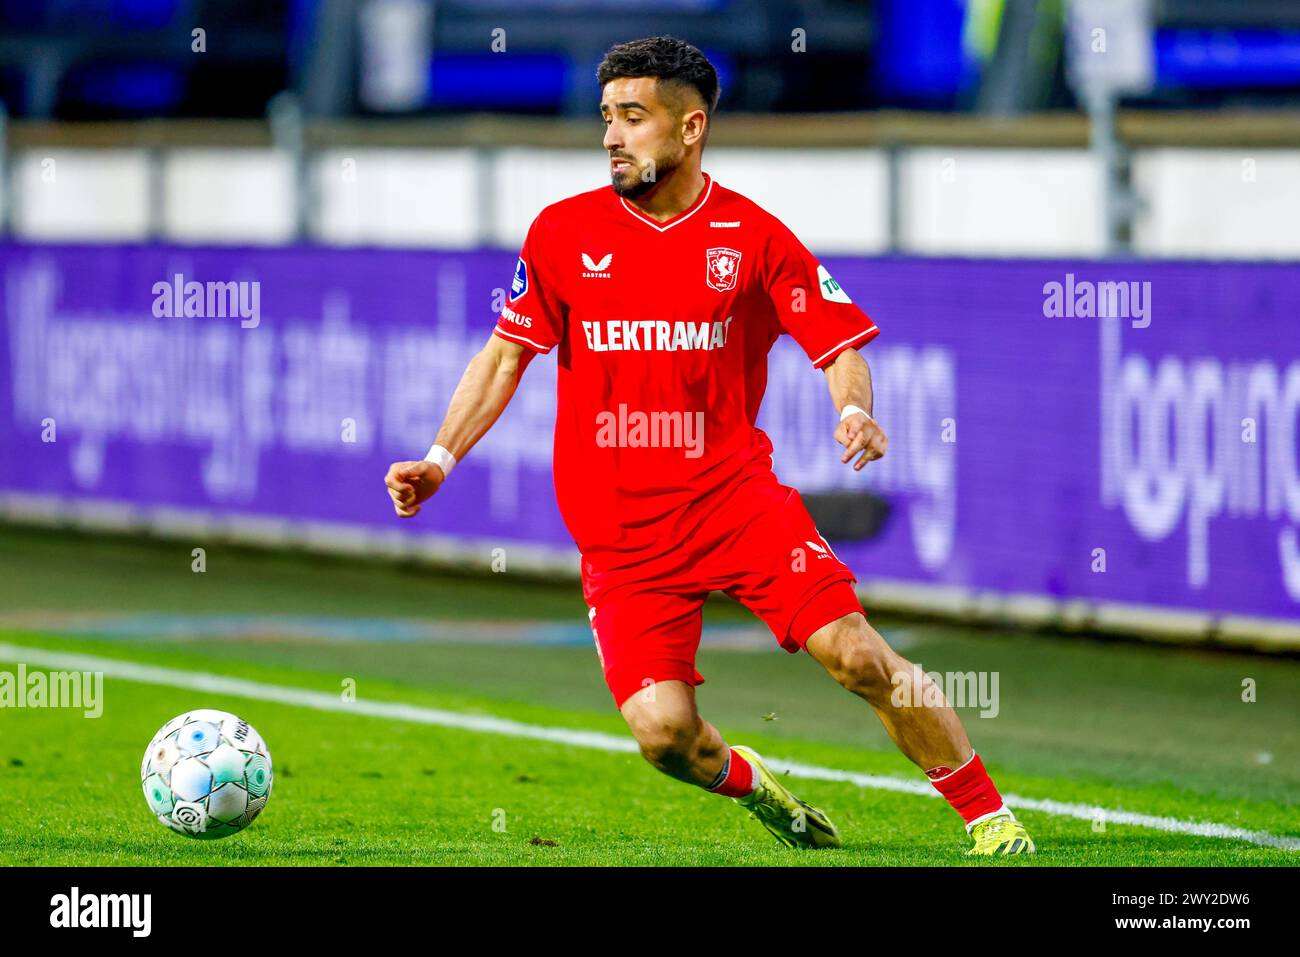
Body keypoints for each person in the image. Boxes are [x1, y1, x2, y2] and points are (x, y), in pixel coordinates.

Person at [385, 36, 1034, 855]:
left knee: (855, 653)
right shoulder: (561, 233)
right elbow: (506, 355)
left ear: (690, 129)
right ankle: (756, 785)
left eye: (633, 117)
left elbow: (837, 346)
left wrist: (852, 411)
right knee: (664, 735)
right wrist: (439, 460)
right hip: (620, 534)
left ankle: (988, 815)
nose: (612, 137)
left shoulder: (754, 237)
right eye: (607, 118)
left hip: (735, 504)